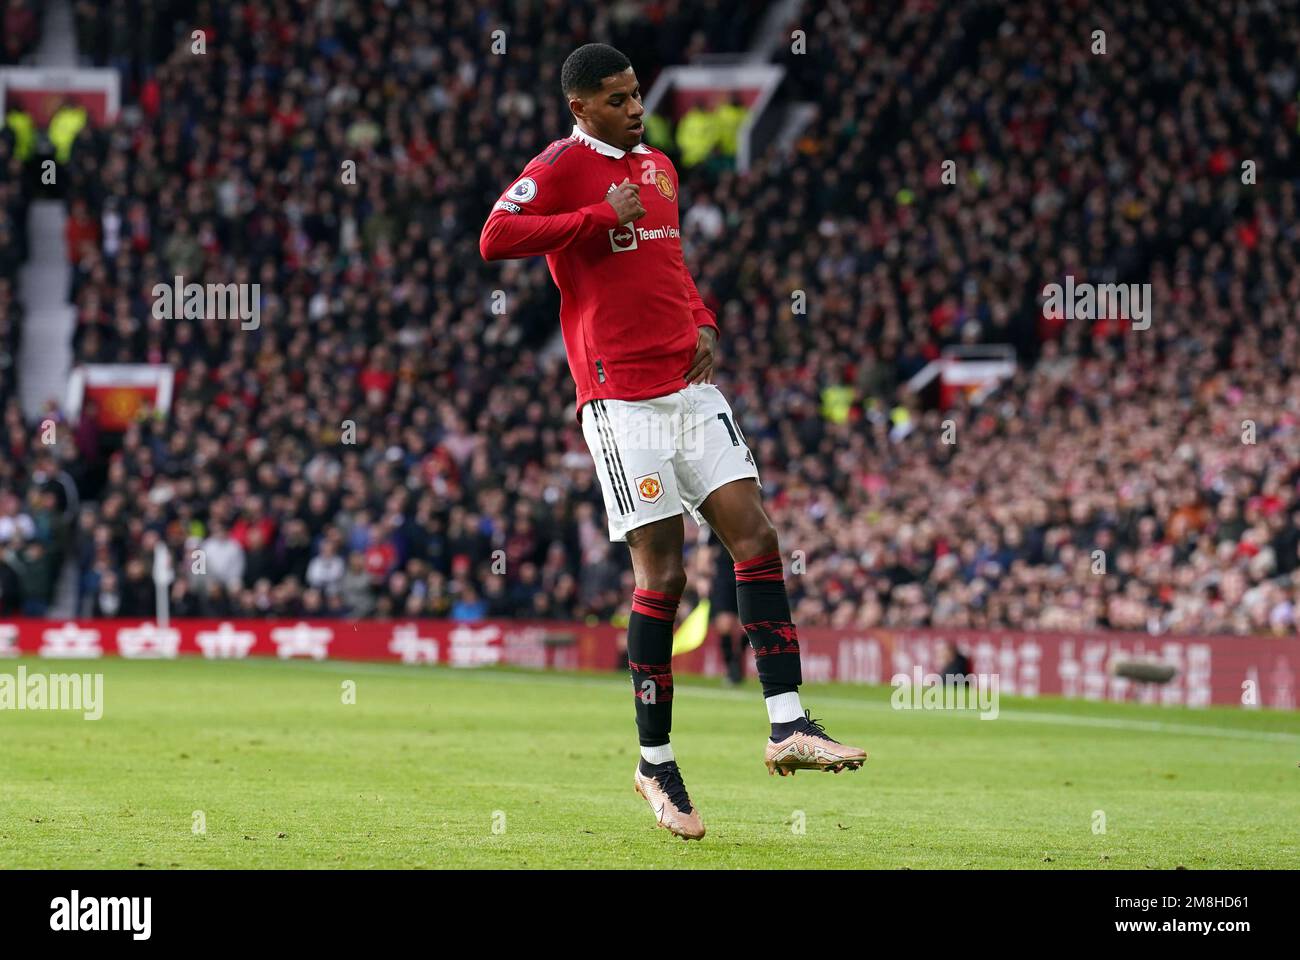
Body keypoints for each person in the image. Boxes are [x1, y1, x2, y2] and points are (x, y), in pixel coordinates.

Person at [480, 43, 866, 842]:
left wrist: (701, 315)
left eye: (635, 94)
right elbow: (495, 237)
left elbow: (668, 257)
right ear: (581, 107)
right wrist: (592, 218)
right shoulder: (560, 164)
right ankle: (654, 761)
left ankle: (787, 723)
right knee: (665, 575)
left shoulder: (658, 167)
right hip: (620, 401)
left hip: (689, 389)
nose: (634, 108)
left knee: (756, 536)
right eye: (616, 99)